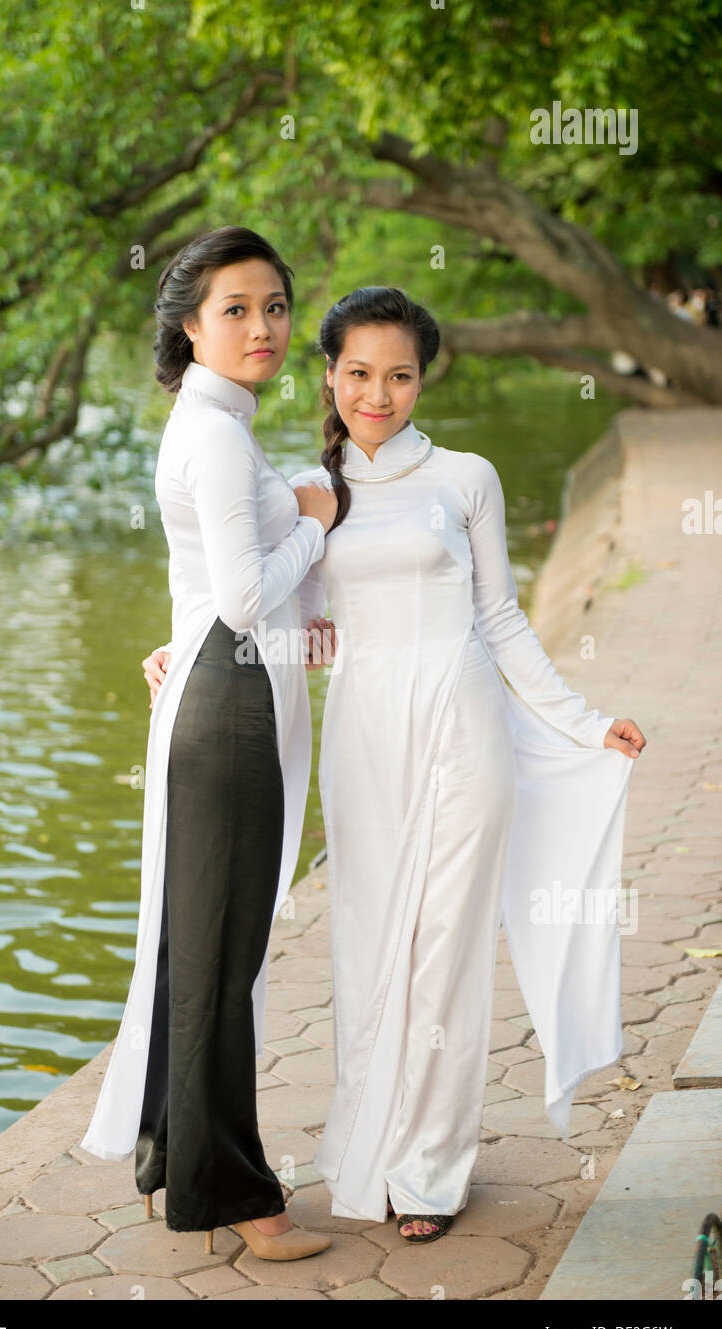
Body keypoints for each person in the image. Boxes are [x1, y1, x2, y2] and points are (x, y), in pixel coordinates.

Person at [144, 286, 646, 1245]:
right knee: (367, 946)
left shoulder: (466, 478)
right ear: (328, 376)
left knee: (446, 952)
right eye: (360, 374)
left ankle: (430, 1171)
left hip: (462, 726)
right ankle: (365, 1150)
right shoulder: (307, 492)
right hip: (362, 736)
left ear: (423, 378)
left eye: (401, 374)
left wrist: (583, 721)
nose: (379, 394)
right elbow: (255, 601)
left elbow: (500, 618)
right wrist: (178, 655)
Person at [79, 226, 337, 1262]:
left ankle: (170, 1162)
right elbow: (239, 596)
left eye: (275, 306)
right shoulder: (220, 433)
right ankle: (238, 1196)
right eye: (236, 309)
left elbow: (204, 585)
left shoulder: (211, 420)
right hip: (226, 711)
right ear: (190, 325)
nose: (263, 326)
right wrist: (322, 517)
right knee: (224, 958)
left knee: (197, 950)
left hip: (212, 691)